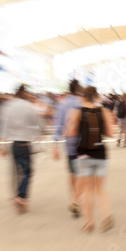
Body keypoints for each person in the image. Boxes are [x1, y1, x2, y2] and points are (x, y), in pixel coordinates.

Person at [66, 87, 116, 232]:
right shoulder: (104, 112)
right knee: (100, 189)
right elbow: (111, 133)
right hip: (101, 154)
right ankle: (106, 215)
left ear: (84, 97)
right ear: (96, 97)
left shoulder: (77, 112)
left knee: (88, 190)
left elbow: (71, 133)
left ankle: (90, 222)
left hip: (84, 154)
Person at [0, 85, 45, 214]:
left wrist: (1, 146)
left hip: (14, 144)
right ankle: (21, 197)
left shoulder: (8, 106)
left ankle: (17, 197)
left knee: (16, 172)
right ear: (23, 93)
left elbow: (3, 126)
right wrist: (37, 141)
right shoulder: (28, 106)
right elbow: (36, 124)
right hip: (25, 144)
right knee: (28, 172)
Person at [54, 80, 84, 217]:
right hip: (84, 143)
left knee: (72, 172)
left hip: (70, 143)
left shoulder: (63, 104)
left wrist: (55, 144)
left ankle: (74, 198)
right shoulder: (83, 102)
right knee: (82, 173)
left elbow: (59, 125)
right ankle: (77, 200)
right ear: (79, 89)